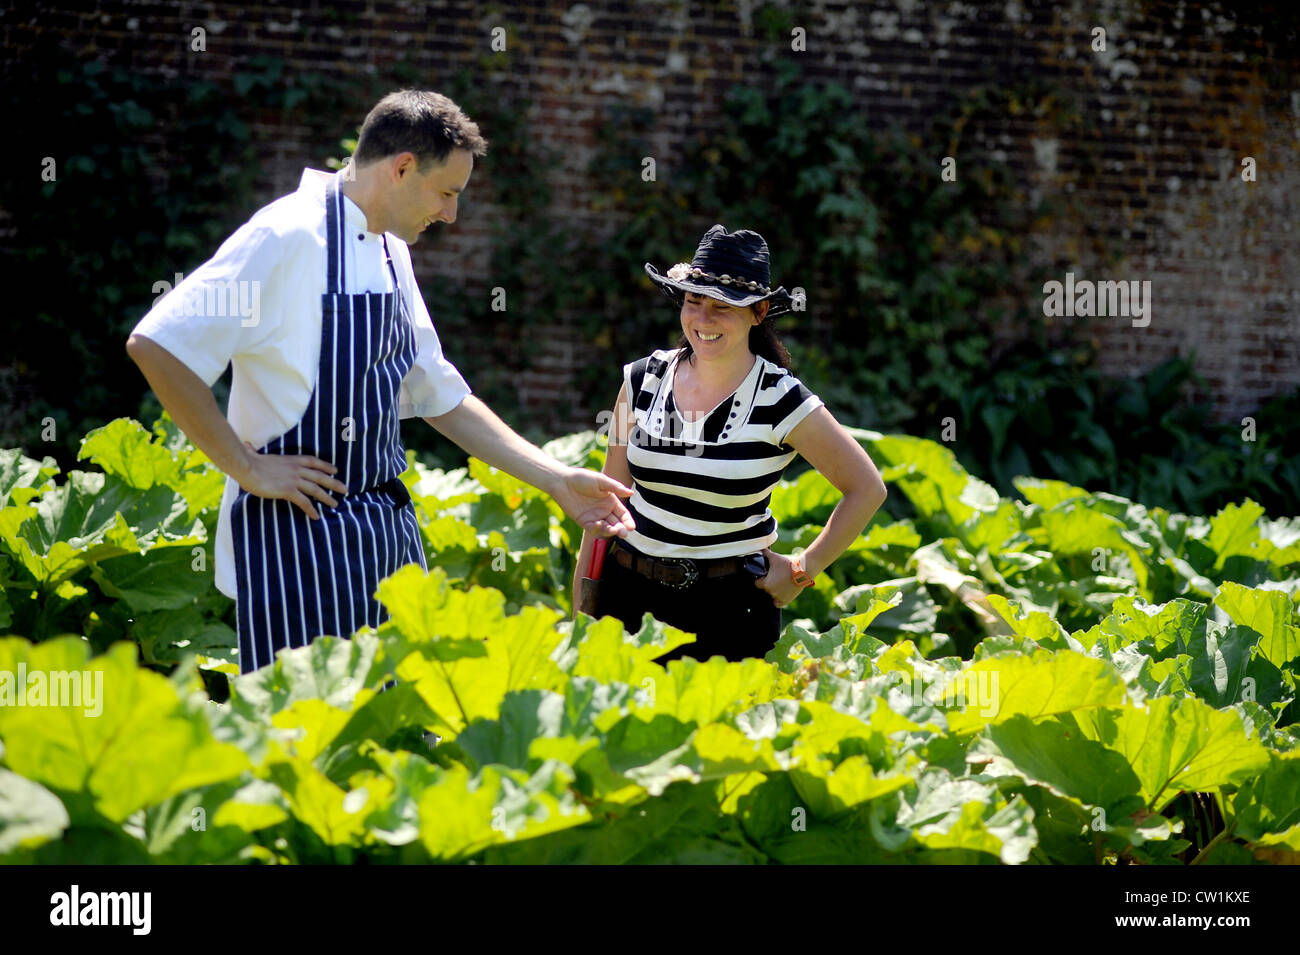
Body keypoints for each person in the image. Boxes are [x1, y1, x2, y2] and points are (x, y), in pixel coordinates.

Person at [127, 89, 634, 675]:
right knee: (307, 745)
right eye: (447, 193)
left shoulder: (393, 249)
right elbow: (160, 345)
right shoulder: (286, 236)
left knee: (397, 735)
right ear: (401, 168)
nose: (451, 214)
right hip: (298, 540)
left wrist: (554, 480)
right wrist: (247, 468)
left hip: (383, 534)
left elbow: (439, 392)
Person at [571, 225, 888, 663]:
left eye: (723, 307)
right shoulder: (640, 379)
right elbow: (607, 500)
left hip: (728, 613)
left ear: (758, 313)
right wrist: (581, 611)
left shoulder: (781, 399)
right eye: (694, 302)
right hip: (625, 602)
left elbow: (867, 488)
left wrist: (801, 571)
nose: (703, 320)